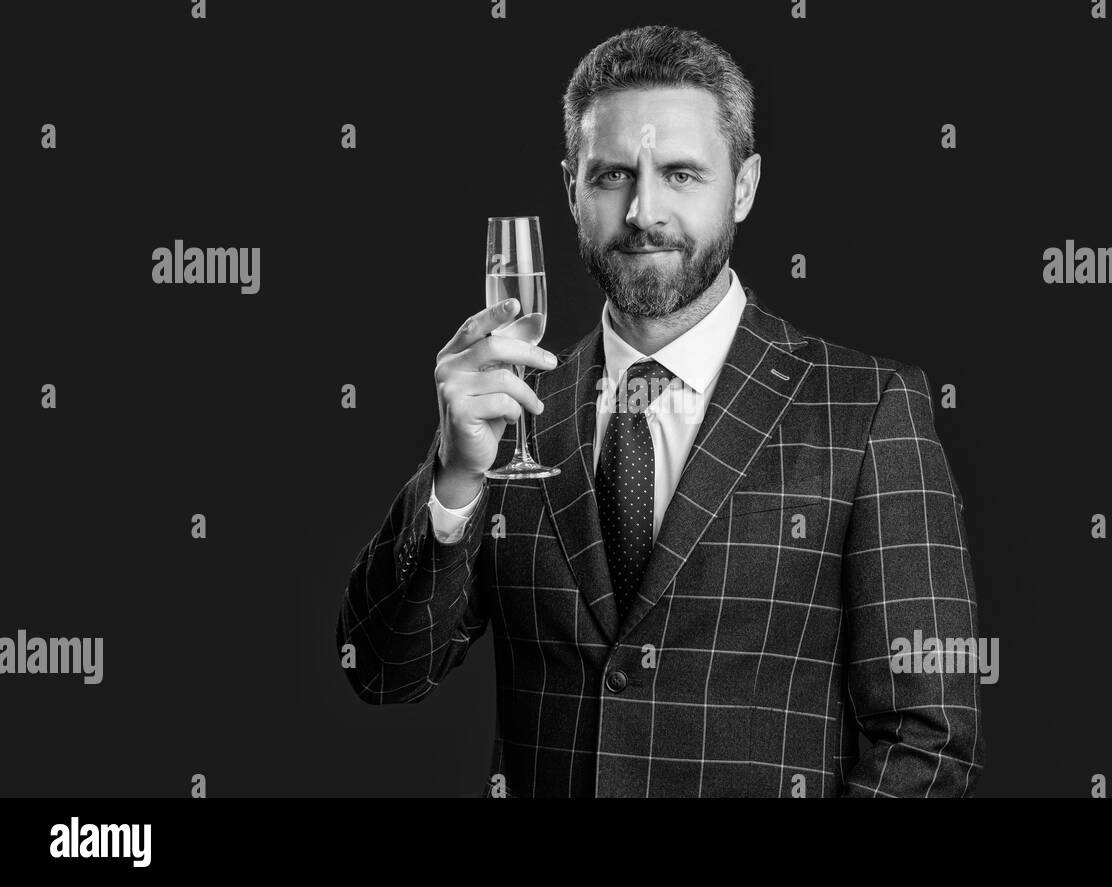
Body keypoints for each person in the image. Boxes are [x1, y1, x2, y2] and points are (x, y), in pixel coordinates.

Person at [337, 24, 984, 797]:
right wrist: (452, 480)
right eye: (613, 175)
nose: (644, 210)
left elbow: (929, 736)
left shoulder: (867, 408)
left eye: (680, 173)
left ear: (741, 187)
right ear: (572, 187)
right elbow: (381, 670)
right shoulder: (513, 413)